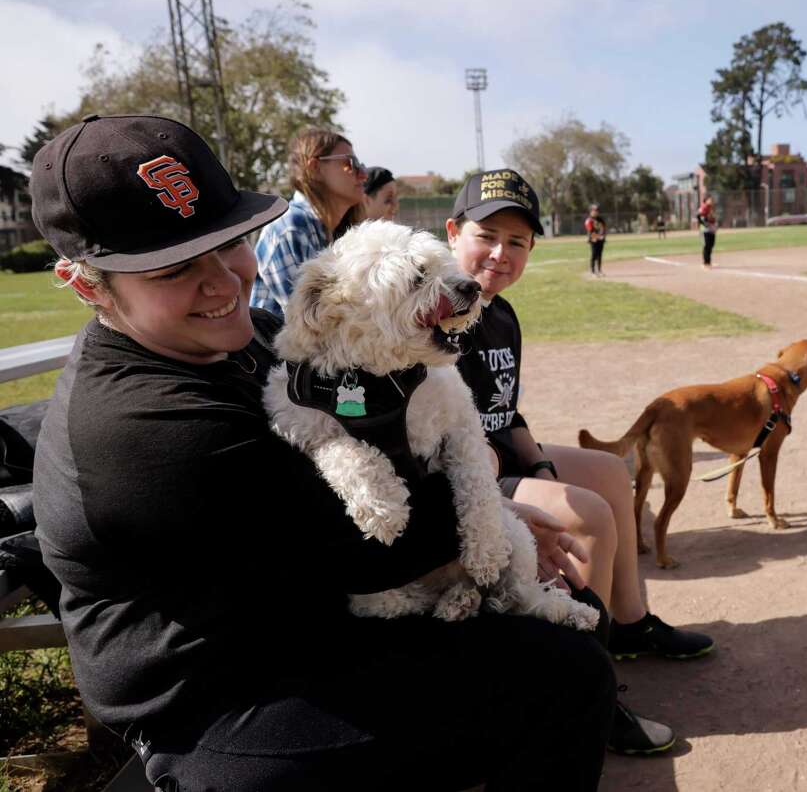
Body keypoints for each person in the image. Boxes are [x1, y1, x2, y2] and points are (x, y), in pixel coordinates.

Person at [30, 115, 615, 791]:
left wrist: (491, 499)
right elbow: (371, 548)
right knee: (564, 671)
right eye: (174, 269)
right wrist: (493, 508)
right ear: (87, 285)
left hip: (302, 616)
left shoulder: (229, 336)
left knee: (571, 621)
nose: (224, 283)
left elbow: (389, 400)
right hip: (216, 701)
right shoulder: (148, 423)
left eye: (230, 245)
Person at [446, 169, 715, 757]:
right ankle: (586, 688)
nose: (500, 253)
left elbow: (507, 416)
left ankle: (628, 621)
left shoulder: (501, 314)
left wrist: (541, 468)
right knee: (586, 514)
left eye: (517, 242)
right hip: (458, 476)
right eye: (486, 235)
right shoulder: (435, 314)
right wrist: (528, 486)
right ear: (451, 233)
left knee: (610, 474)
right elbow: (436, 439)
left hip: (497, 457)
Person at [250, 128, 367, 316]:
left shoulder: (330, 230)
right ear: (315, 168)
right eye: (350, 163)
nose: (363, 174)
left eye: (361, 165)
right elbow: (309, 320)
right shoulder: (290, 226)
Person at [584, 203, 607, 277]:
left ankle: (599, 270)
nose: (596, 212)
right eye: (594, 210)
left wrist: (603, 236)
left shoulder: (601, 219)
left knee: (600, 255)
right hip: (593, 239)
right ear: (591, 211)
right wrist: (597, 237)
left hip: (601, 239)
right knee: (594, 255)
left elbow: (603, 229)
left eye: (597, 210)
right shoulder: (589, 220)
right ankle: (593, 271)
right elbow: (590, 231)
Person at [697, 194, 717, 268]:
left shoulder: (711, 208)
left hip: (711, 228)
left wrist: (714, 226)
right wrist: (704, 224)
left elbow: (712, 218)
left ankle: (709, 262)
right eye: (710, 199)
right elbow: (699, 216)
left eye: (712, 200)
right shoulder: (704, 207)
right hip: (705, 229)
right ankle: (706, 262)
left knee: (711, 244)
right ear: (706, 200)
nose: (711, 201)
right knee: (707, 245)